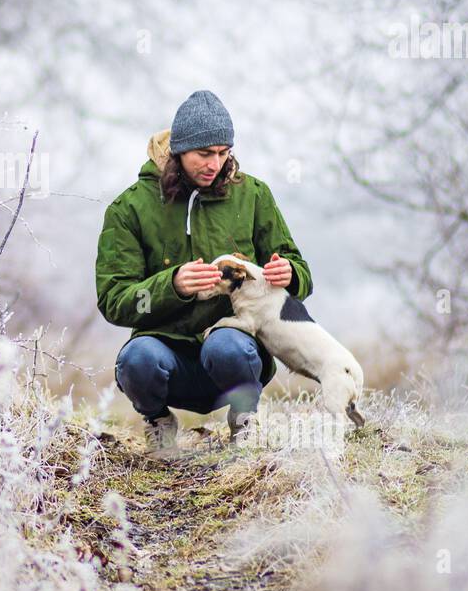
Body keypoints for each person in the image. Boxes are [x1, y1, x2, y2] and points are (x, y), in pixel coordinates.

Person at [94, 90, 313, 456]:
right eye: (204, 154)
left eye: (223, 152)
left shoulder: (254, 196)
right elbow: (114, 300)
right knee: (136, 360)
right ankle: (158, 423)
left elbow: (299, 270)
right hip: (165, 354)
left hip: (235, 346)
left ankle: (245, 421)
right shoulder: (128, 209)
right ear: (179, 150)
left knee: (228, 346)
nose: (215, 163)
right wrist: (172, 285)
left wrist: (290, 274)